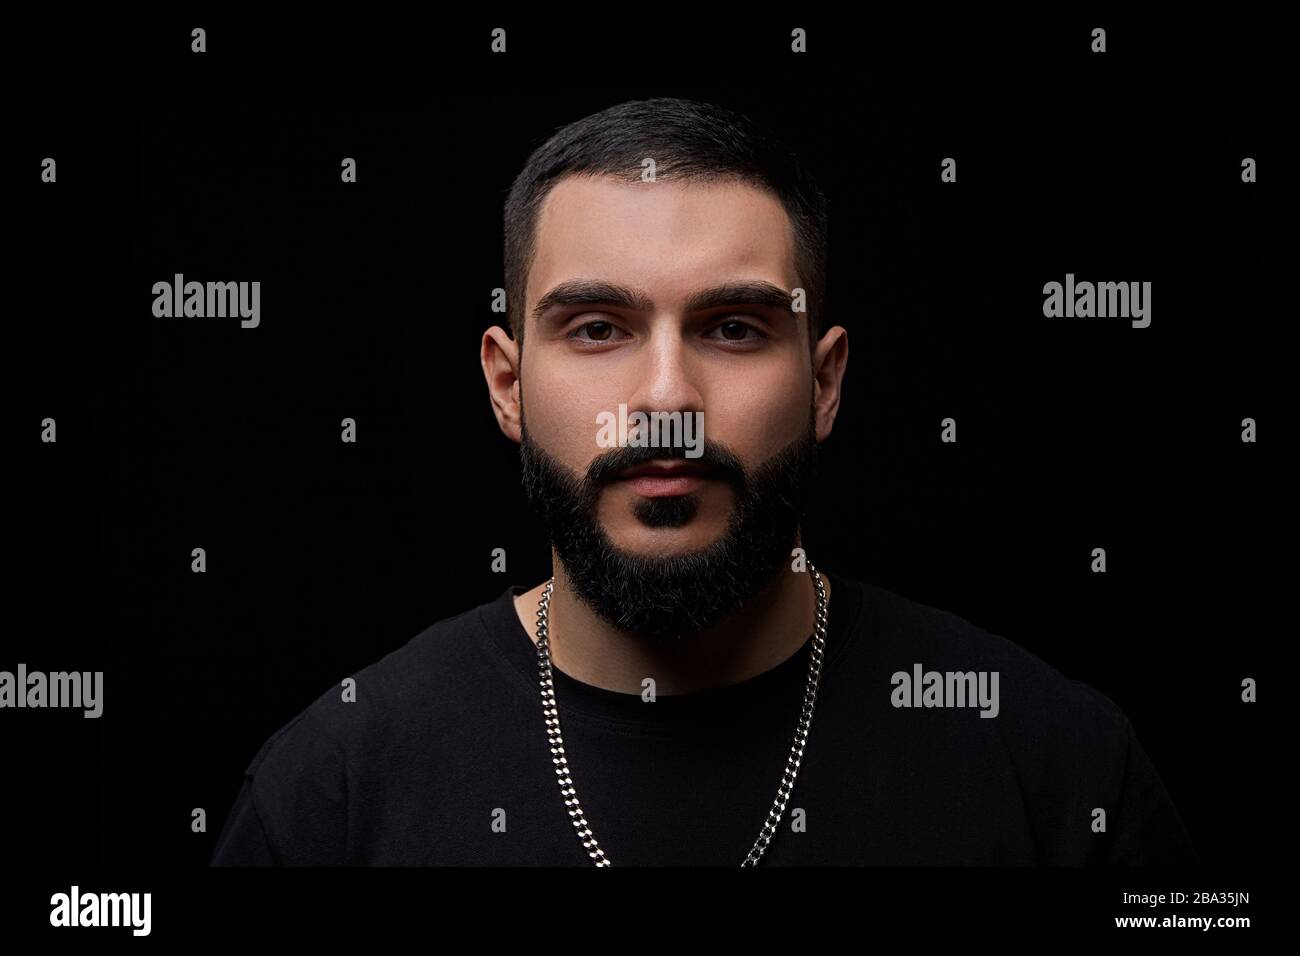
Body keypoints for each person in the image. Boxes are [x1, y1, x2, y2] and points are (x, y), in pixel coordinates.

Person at [210, 97, 1197, 866]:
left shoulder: (1055, 766)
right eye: (597, 327)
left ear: (823, 380)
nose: (666, 398)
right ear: (507, 383)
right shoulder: (329, 792)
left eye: (734, 326)